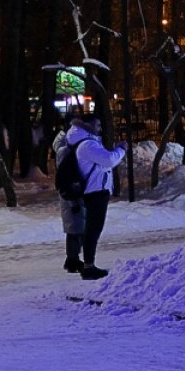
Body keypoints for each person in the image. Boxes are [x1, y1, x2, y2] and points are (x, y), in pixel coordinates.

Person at [65, 115, 127, 280]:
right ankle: (89, 266)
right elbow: (109, 160)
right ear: (89, 126)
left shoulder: (86, 143)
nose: (100, 128)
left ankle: (88, 265)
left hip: (95, 190)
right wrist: (121, 149)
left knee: (92, 229)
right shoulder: (88, 145)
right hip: (95, 192)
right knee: (93, 229)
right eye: (98, 125)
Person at [54, 106, 87, 274]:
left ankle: (73, 259)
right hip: (70, 193)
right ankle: (72, 260)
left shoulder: (64, 146)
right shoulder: (65, 149)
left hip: (70, 192)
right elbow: (68, 172)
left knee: (76, 227)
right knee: (75, 229)